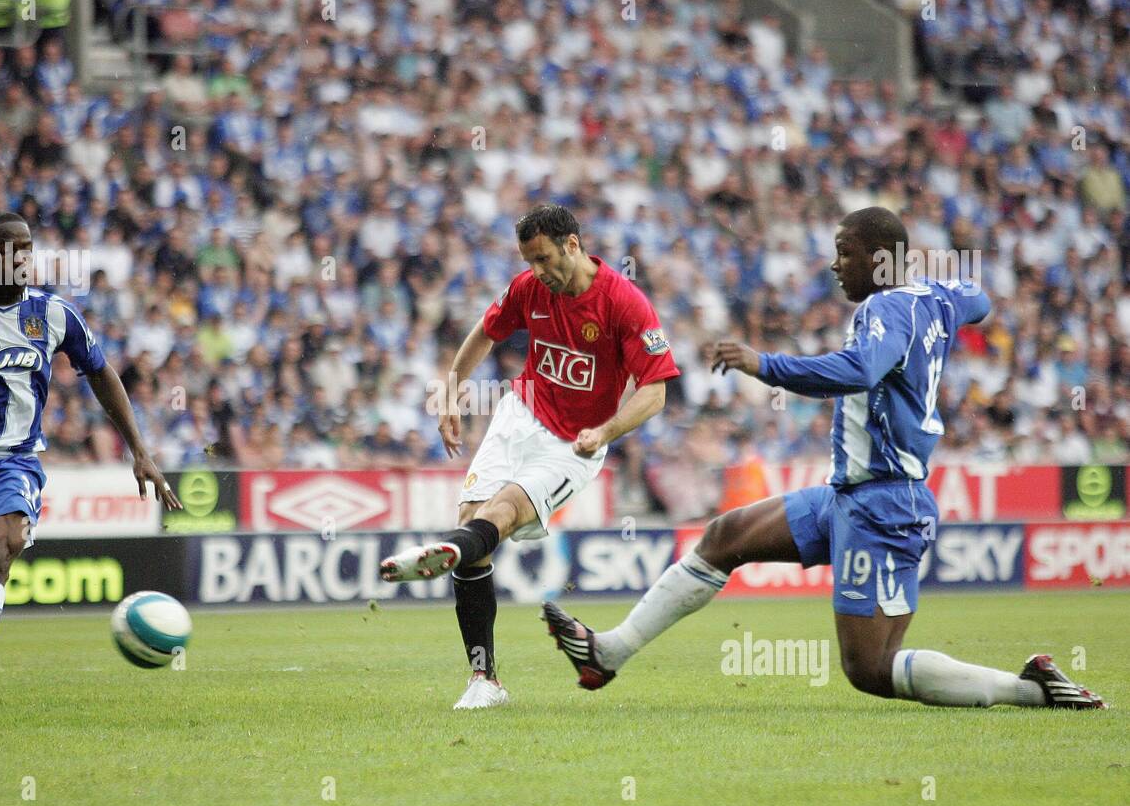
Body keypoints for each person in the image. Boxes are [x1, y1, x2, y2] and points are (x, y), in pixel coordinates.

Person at [541, 206, 1105, 711]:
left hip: (885, 504)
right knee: (724, 536)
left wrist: (766, 365)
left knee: (871, 671)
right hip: (847, 496)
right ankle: (606, 654)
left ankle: (1028, 689)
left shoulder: (884, 308)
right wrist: (936, 293)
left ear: (879, 260)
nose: (835, 265)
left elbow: (859, 371)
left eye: (845, 253)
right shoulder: (928, 300)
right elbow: (978, 299)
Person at [379, 204, 680, 708]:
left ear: (572, 245)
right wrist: (452, 390)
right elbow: (486, 329)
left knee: (505, 510)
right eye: (529, 261)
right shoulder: (529, 288)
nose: (538, 271)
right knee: (473, 520)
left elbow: (656, 392)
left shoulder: (625, 303)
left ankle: (447, 551)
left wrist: (604, 429)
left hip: (574, 446)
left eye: (543, 259)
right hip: (521, 413)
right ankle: (485, 680)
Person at [0, 211, 181, 713]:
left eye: (26, 248)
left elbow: (103, 374)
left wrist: (140, 450)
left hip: (12, 464)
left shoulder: (55, 314)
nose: (20, 258)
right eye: (7, 248)